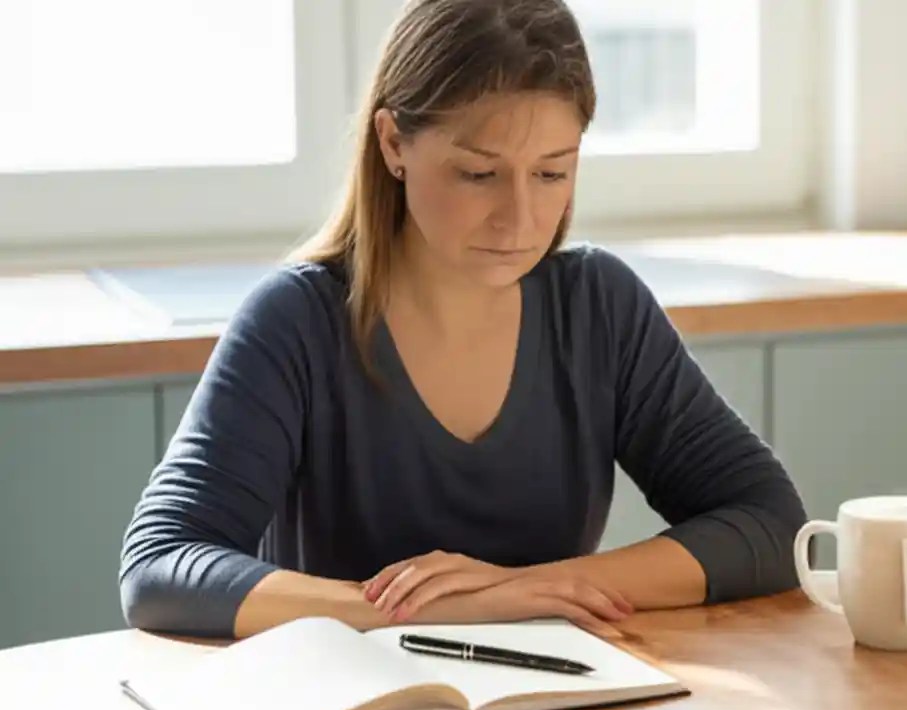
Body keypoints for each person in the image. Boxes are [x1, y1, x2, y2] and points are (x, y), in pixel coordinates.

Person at [118, 0, 807, 640]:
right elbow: (160, 567)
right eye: (479, 174)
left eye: (551, 173)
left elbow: (772, 524)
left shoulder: (599, 307)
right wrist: (425, 607)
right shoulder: (297, 319)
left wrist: (540, 587)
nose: (520, 219)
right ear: (394, 144)